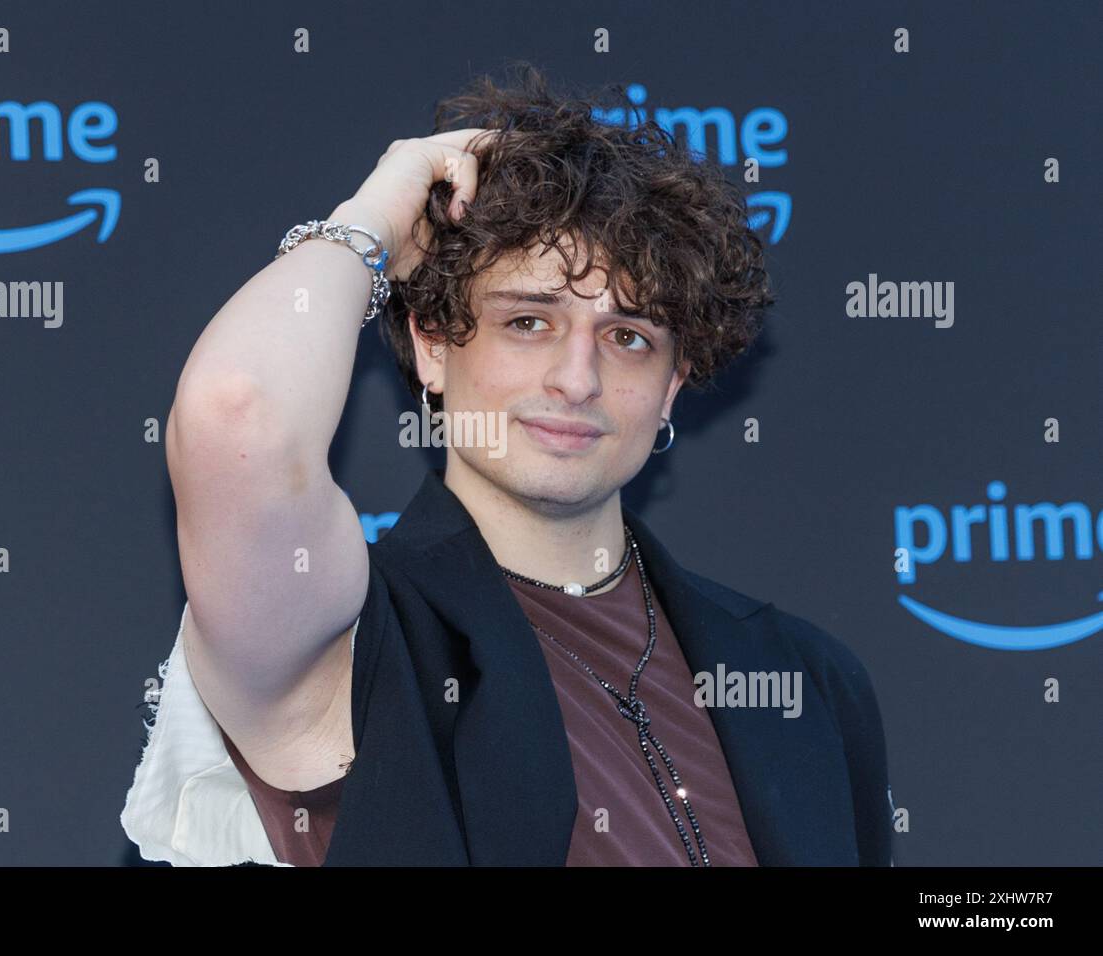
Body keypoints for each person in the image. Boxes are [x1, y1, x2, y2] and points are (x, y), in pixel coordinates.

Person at [120, 63, 893, 867]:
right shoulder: (348, 635)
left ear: (671, 387)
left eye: (629, 337)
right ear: (432, 344)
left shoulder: (806, 678)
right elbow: (237, 410)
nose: (577, 378)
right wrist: (372, 225)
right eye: (529, 321)